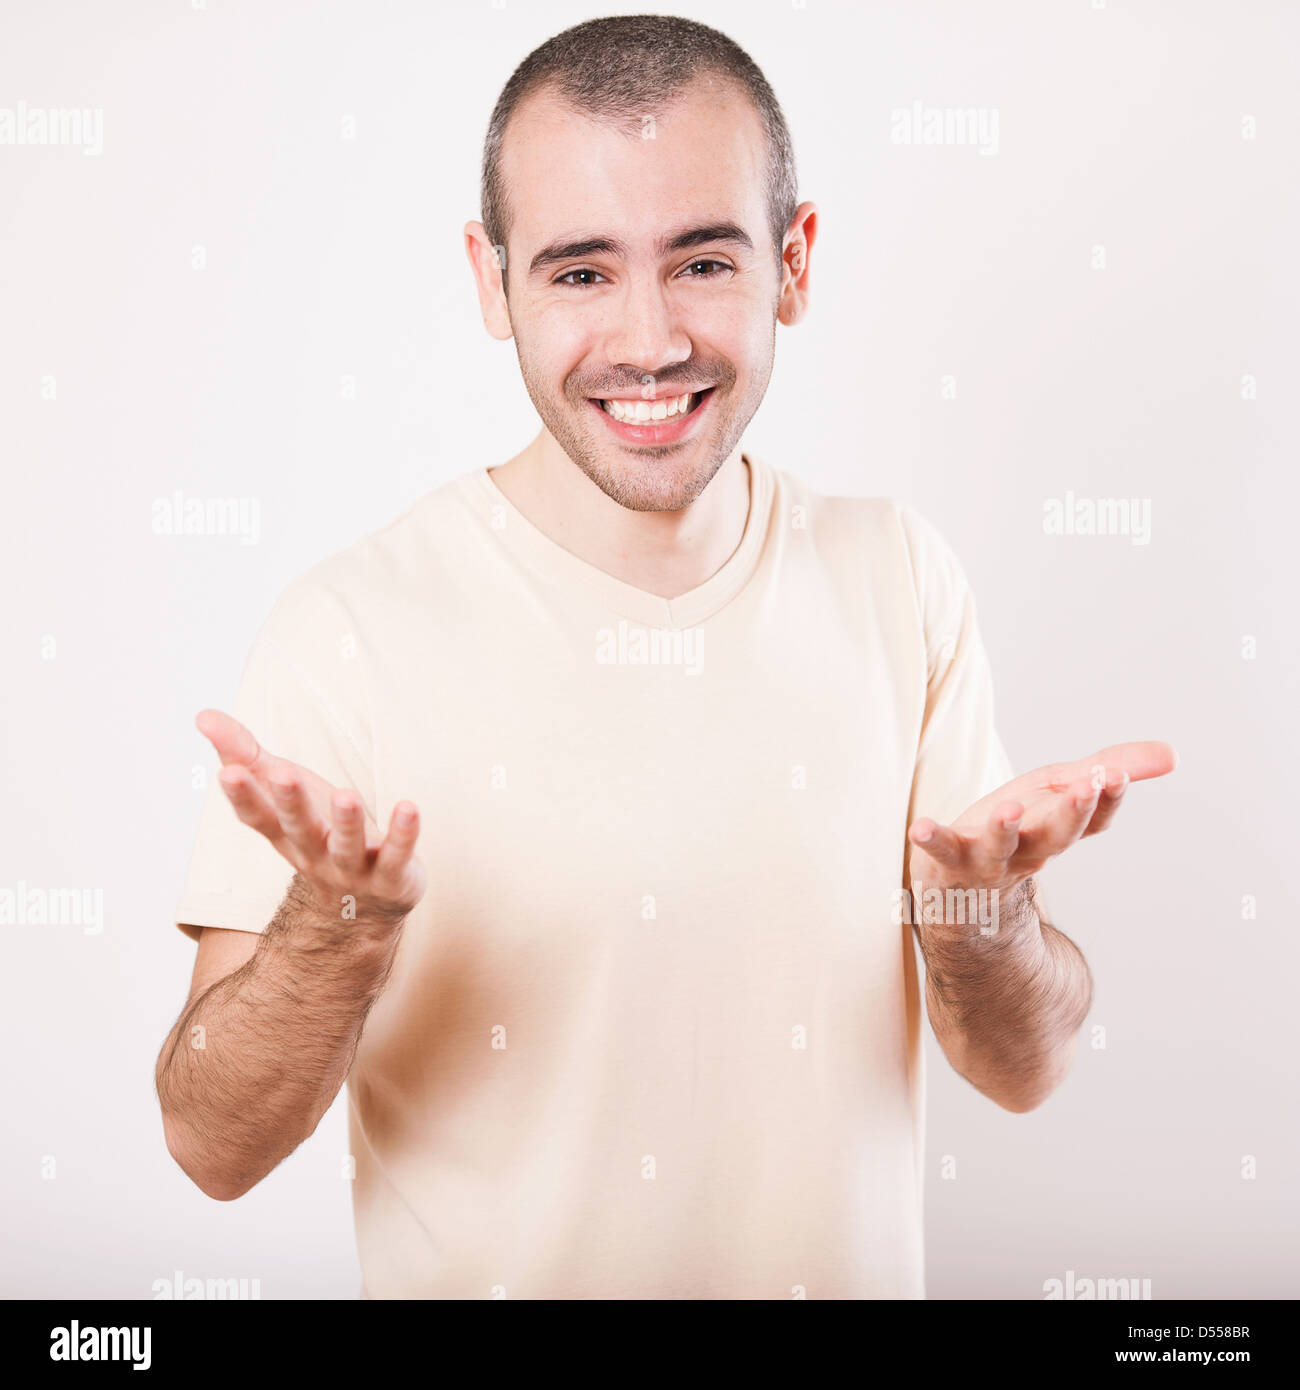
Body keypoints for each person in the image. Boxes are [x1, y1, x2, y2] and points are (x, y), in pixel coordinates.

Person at [155, 14, 1175, 1299]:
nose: (647, 340)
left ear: (793, 262)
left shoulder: (897, 577)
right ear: (492, 281)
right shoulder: (347, 627)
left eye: (700, 261)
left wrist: (982, 916)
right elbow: (210, 1146)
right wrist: (334, 927)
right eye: (580, 273)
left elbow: (1024, 1070)